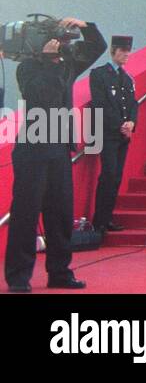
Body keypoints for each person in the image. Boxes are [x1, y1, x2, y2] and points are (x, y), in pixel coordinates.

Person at [4, 17, 105, 292]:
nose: (62, 44)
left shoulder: (67, 63)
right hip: (33, 150)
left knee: (60, 215)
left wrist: (85, 26)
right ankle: (18, 277)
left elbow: (98, 46)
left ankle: (60, 272)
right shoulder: (28, 68)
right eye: (58, 41)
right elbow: (44, 96)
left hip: (60, 149)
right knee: (26, 214)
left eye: (63, 41)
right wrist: (50, 61)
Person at [88, 35, 138, 234]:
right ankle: (99, 220)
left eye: (128, 51)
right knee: (108, 174)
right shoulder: (99, 74)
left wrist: (132, 123)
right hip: (108, 132)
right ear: (114, 51)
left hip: (122, 135)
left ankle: (107, 218)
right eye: (122, 51)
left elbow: (133, 103)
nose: (126, 54)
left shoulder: (127, 78)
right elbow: (100, 104)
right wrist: (120, 125)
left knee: (116, 176)